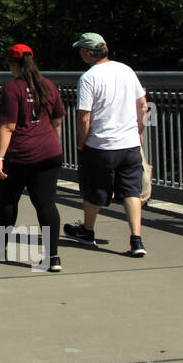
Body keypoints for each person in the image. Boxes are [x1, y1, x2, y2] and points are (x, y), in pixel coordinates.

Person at [64, 33, 149, 256]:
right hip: (129, 144)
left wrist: (81, 144)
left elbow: (84, 117)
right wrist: (139, 132)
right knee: (131, 190)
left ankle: (88, 231)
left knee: (94, 190)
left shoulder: (89, 77)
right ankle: (136, 239)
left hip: (101, 145)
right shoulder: (126, 70)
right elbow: (142, 105)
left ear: (86, 52)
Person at [0, 44, 66, 272]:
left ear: (13, 64)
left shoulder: (12, 89)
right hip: (49, 153)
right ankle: (52, 257)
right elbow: (57, 121)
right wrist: (54, 146)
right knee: (46, 204)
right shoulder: (48, 86)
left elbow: (8, 126)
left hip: (20, 155)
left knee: (8, 201)